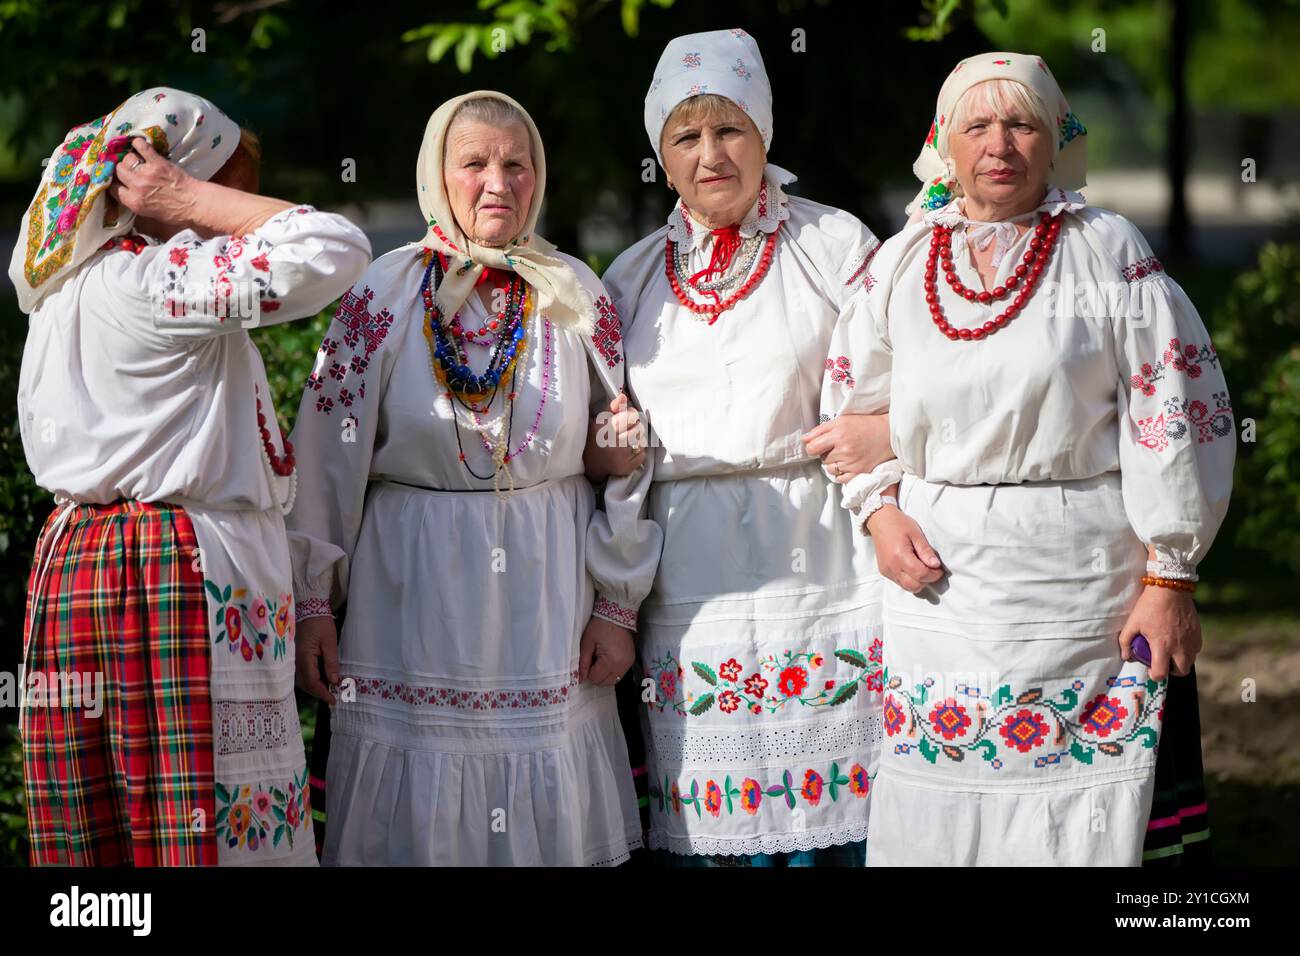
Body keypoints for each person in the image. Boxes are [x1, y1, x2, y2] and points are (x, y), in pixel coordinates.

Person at [826, 53, 1233, 865]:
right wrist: (880, 509)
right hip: (940, 593)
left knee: (1078, 819)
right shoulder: (902, 262)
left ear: (1056, 141)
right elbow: (849, 406)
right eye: (977, 126)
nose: (999, 145)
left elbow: (1174, 412)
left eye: (1023, 125)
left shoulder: (1108, 252)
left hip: (1080, 587)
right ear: (945, 143)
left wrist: (1171, 576)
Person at [286, 91, 661, 866]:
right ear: (438, 174)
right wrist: (313, 602)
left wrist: (618, 605)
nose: (499, 181)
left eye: (516, 163)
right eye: (475, 163)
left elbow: (624, 457)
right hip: (409, 601)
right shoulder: (382, 297)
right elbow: (326, 456)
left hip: (547, 610)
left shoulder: (577, 296)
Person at [14, 87, 371, 865]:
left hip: (75, 562)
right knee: (198, 824)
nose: (231, 216)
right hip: (170, 566)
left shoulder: (61, 296)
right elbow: (338, 248)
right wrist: (188, 198)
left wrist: (188, 199)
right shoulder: (157, 283)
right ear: (155, 185)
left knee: (102, 824)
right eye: (223, 193)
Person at [603, 29, 893, 865]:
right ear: (662, 154)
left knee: (837, 806)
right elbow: (615, 443)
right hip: (689, 573)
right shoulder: (629, 278)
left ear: (763, 132)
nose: (711, 155)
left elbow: (901, 377)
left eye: (729, 129)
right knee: (713, 820)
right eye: (685, 137)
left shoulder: (834, 247)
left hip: (821, 548)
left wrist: (885, 440)